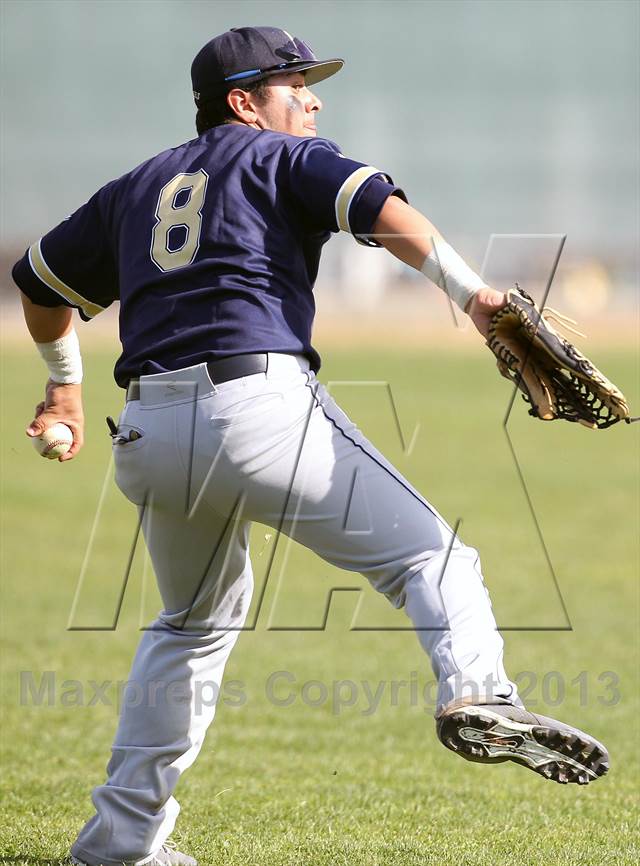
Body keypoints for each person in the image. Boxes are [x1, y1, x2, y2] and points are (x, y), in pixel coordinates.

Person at [12, 26, 609, 866]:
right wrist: (477, 301)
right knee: (435, 562)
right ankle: (480, 693)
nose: (314, 98)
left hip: (148, 430)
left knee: (188, 626)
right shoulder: (280, 159)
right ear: (243, 102)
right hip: (256, 411)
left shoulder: (137, 185)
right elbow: (382, 211)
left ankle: (120, 845)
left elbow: (37, 283)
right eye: (295, 84)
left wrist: (64, 383)